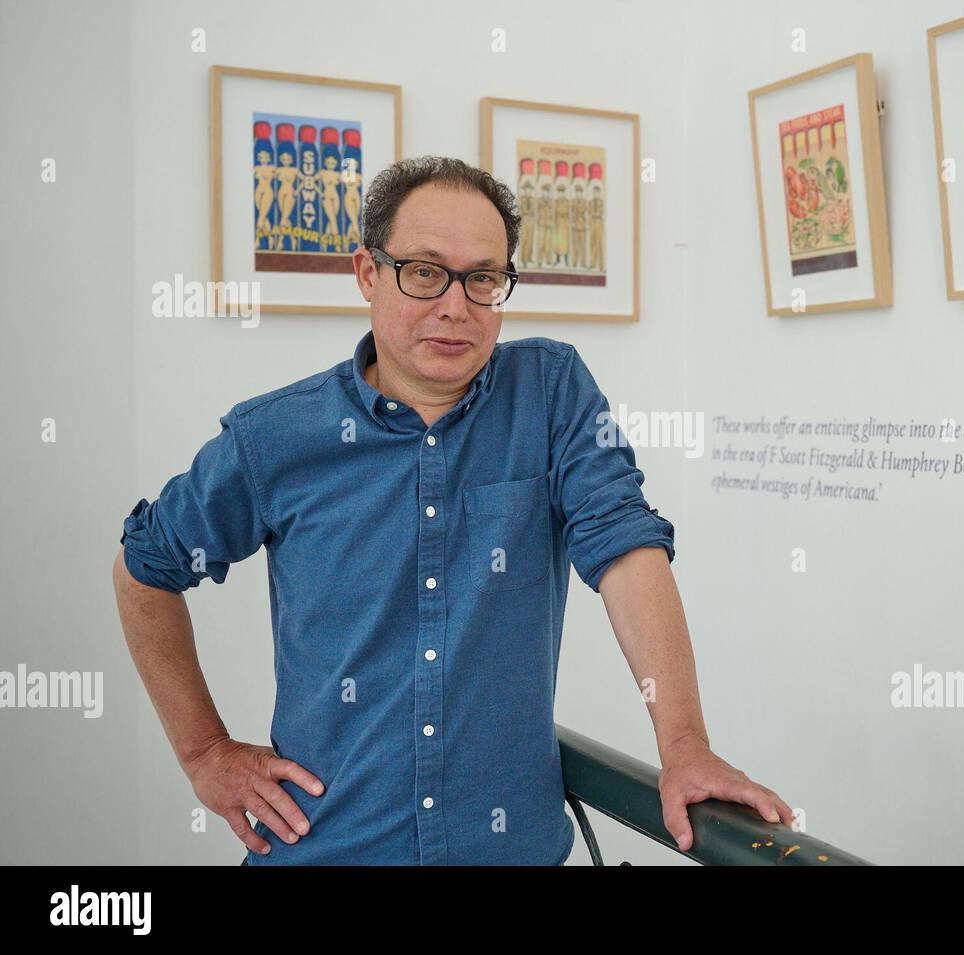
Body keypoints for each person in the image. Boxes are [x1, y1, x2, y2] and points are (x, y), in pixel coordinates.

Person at [112, 155, 793, 865]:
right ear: (368, 273)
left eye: (483, 279)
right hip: (326, 849)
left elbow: (625, 548)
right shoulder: (275, 437)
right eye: (425, 272)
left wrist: (684, 746)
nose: (455, 306)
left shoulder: (550, 391)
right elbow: (143, 571)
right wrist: (204, 751)